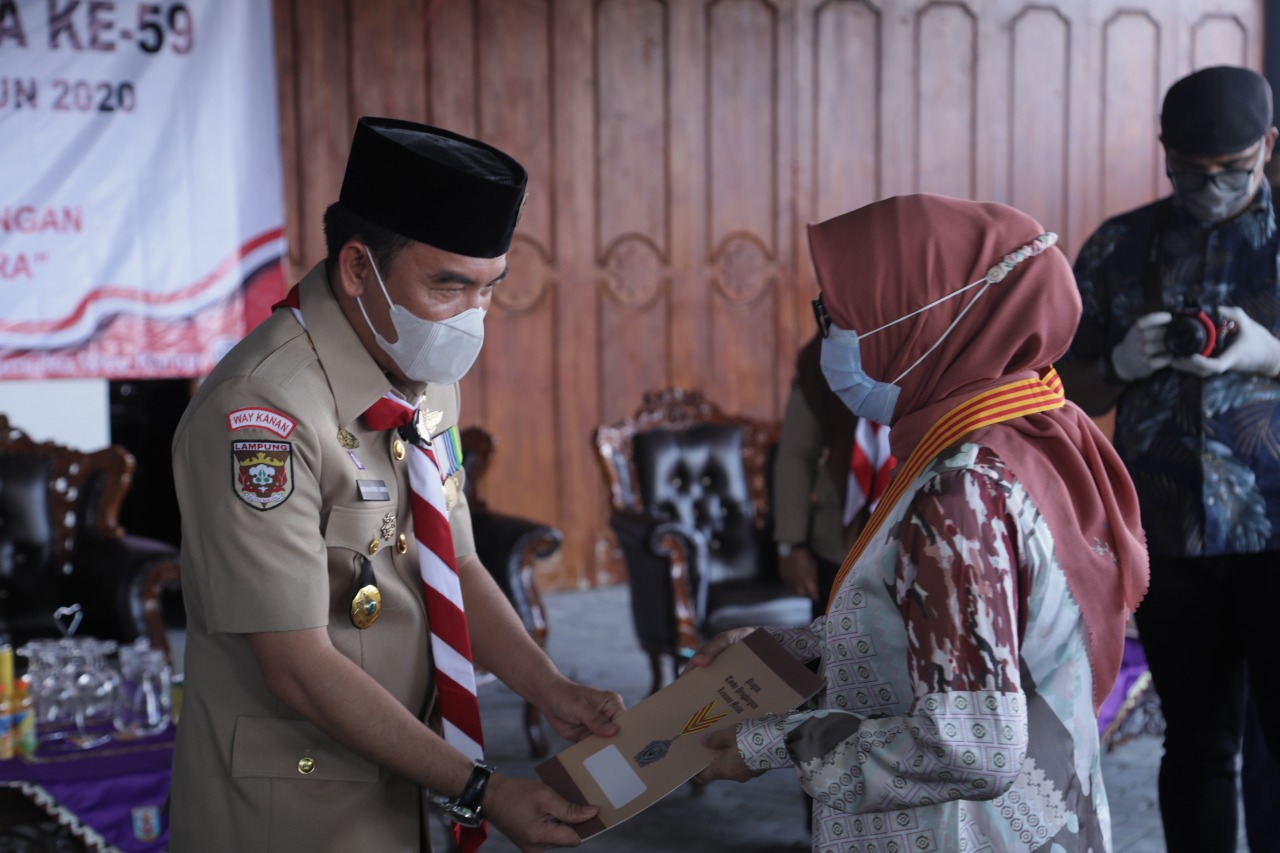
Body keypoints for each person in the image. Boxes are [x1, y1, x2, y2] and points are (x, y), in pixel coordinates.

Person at [168, 117, 624, 853]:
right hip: (292, 800)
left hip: (406, 765)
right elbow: (298, 665)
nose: (472, 318)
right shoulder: (261, 413)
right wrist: (482, 787)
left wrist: (549, 686)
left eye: (489, 290)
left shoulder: (427, 377)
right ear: (356, 268)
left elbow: (455, 565)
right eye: (450, 285)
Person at [690, 193, 1148, 852]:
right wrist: (784, 651)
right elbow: (951, 633)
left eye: (840, 315)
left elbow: (971, 745)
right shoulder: (1023, 433)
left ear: (923, 323)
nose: (830, 334)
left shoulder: (958, 496)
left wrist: (765, 743)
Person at [1057, 65, 1280, 852]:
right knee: (1194, 743)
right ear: (1164, 154)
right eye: (1191, 170)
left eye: (1232, 170)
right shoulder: (1119, 246)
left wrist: (1271, 355)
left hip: (1277, 536)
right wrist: (1118, 362)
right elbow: (1060, 394)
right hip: (1166, 540)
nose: (1210, 185)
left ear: (1270, 148)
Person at [773, 335, 895, 615]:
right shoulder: (827, 347)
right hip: (837, 543)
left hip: (915, 541)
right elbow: (796, 452)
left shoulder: (942, 335)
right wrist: (791, 544)